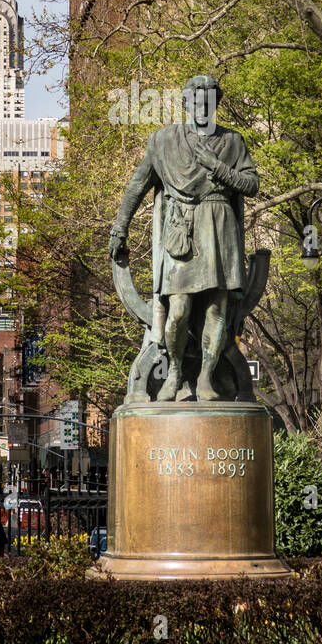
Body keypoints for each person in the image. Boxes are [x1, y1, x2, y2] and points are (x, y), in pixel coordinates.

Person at [108, 74, 259, 401]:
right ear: (187, 104)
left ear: (216, 105)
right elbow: (138, 184)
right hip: (182, 233)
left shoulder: (233, 142)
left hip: (219, 231)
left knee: (216, 311)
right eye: (196, 101)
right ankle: (175, 371)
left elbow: (251, 184)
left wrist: (217, 167)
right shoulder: (164, 140)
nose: (203, 108)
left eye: (209, 101)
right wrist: (121, 226)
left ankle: (206, 375)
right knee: (178, 309)